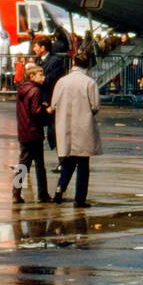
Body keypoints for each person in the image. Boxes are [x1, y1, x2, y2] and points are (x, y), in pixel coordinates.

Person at [50, 51, 101, 207]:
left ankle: (59, 190)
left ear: (73, 63)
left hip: (65, 125)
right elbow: (95, 106)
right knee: (83, 164)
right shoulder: (89, 82)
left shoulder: (62, 81)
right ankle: (80, 198)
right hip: (83, 126)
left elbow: (54, 104)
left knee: (68, 162)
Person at [14, 63, 52, 204]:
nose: (43, 77)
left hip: (23, 129)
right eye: (40, 74)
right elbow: (35, 111)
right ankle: (43, 193)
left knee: (23, 164)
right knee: (39, 164)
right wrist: (46, 111)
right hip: (34, 131)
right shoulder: (36, 90)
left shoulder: (22, 89)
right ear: (32, 76)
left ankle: (16, 192)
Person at [35, 36, 66, 152]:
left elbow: (55, 79)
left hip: (51, 100)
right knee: (36, 130)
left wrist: (41, 79)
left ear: (43, 48)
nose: (34, 49)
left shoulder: (55, 60)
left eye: (36, 46)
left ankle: (62, 160)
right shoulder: (38, 60)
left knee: (53, 131)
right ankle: (33, 160)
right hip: (39, 100)